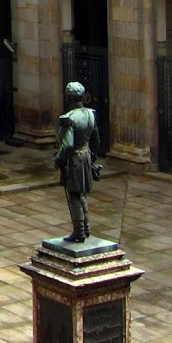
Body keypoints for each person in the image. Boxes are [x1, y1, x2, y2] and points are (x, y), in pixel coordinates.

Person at [54, 81, 101, 243]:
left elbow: (67, 145)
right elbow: (96, 140)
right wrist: (92, 157)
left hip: (74, 159)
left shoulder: (69, 119)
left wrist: (59, 159)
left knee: (74, 194)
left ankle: (79, 231)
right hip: (86, 155)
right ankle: (86, 228)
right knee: (81, 194)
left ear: (68, 98)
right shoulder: (90, 114)